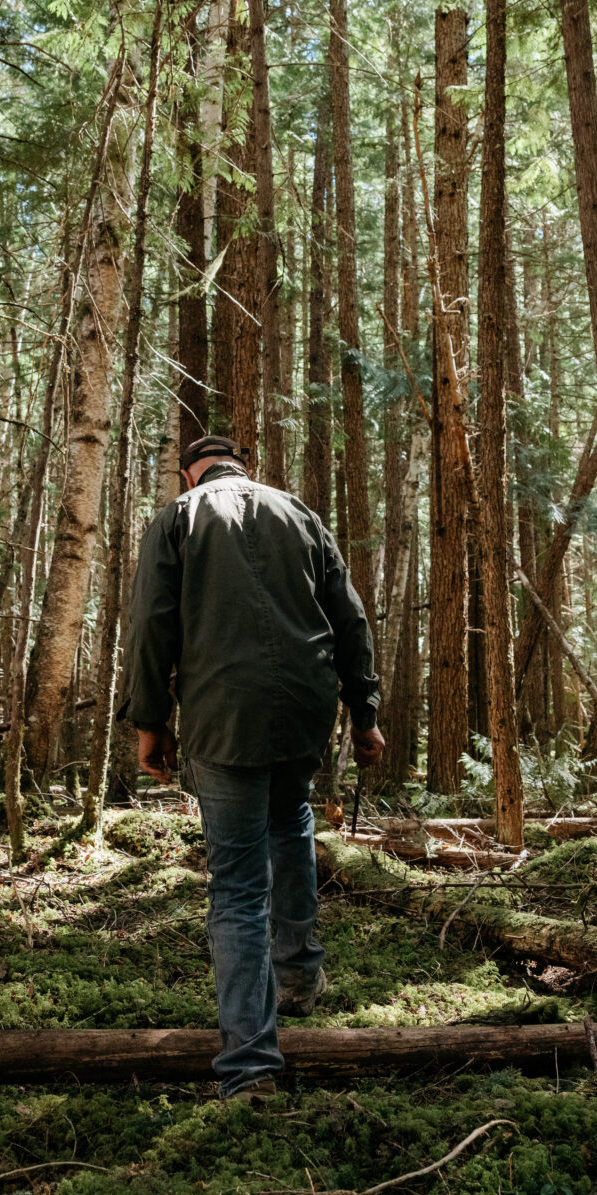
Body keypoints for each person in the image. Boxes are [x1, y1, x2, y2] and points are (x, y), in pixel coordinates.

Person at [116, 434, 384, 1103]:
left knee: (236, 883)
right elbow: (349, 618)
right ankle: (299, 976)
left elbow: (152, 623)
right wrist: (364, 709)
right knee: (290, 824)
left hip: (224, 714)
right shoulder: (298, 512)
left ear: (189, 475)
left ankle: (251, 1064)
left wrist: (150, 722)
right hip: (304, 711)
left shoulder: (180, 516)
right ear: (243, 468)